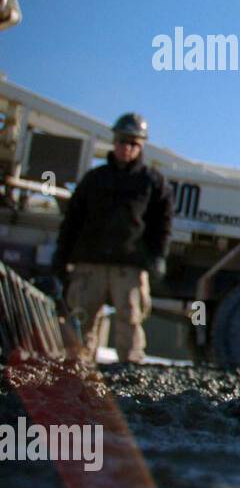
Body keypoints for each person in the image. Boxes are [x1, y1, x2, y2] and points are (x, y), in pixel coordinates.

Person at [52, 113, 173, 363]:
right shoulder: (94, 179)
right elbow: (72, 222)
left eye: (133, 143)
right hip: (90, 264)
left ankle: (129, 372)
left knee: (129, 319)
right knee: (82, 317)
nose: (127, 148)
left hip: (128, 266)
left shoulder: (152, 182)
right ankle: (77, 372)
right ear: (114, 141)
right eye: (122, 141)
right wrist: (61, 257)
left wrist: (157, 257)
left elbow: (162, 225)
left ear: (140, 146)